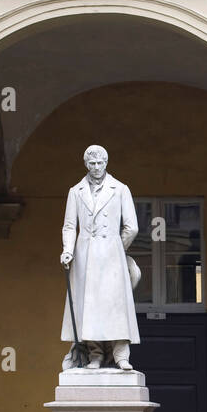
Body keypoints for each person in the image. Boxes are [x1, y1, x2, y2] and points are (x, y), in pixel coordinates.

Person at [59, 144, 140, 371]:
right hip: (85, 255)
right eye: (92, 164)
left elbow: (131, 227)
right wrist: (68, 250)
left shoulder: (120, 189)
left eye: (100, 163)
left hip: (112, 254)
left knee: (116, 305)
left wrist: (116, 247)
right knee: (89, 305)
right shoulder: (76, 191)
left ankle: (121, 354)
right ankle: (95, 354)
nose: (96, 168)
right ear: (86, 165)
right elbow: (68, 226)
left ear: (106, 163)